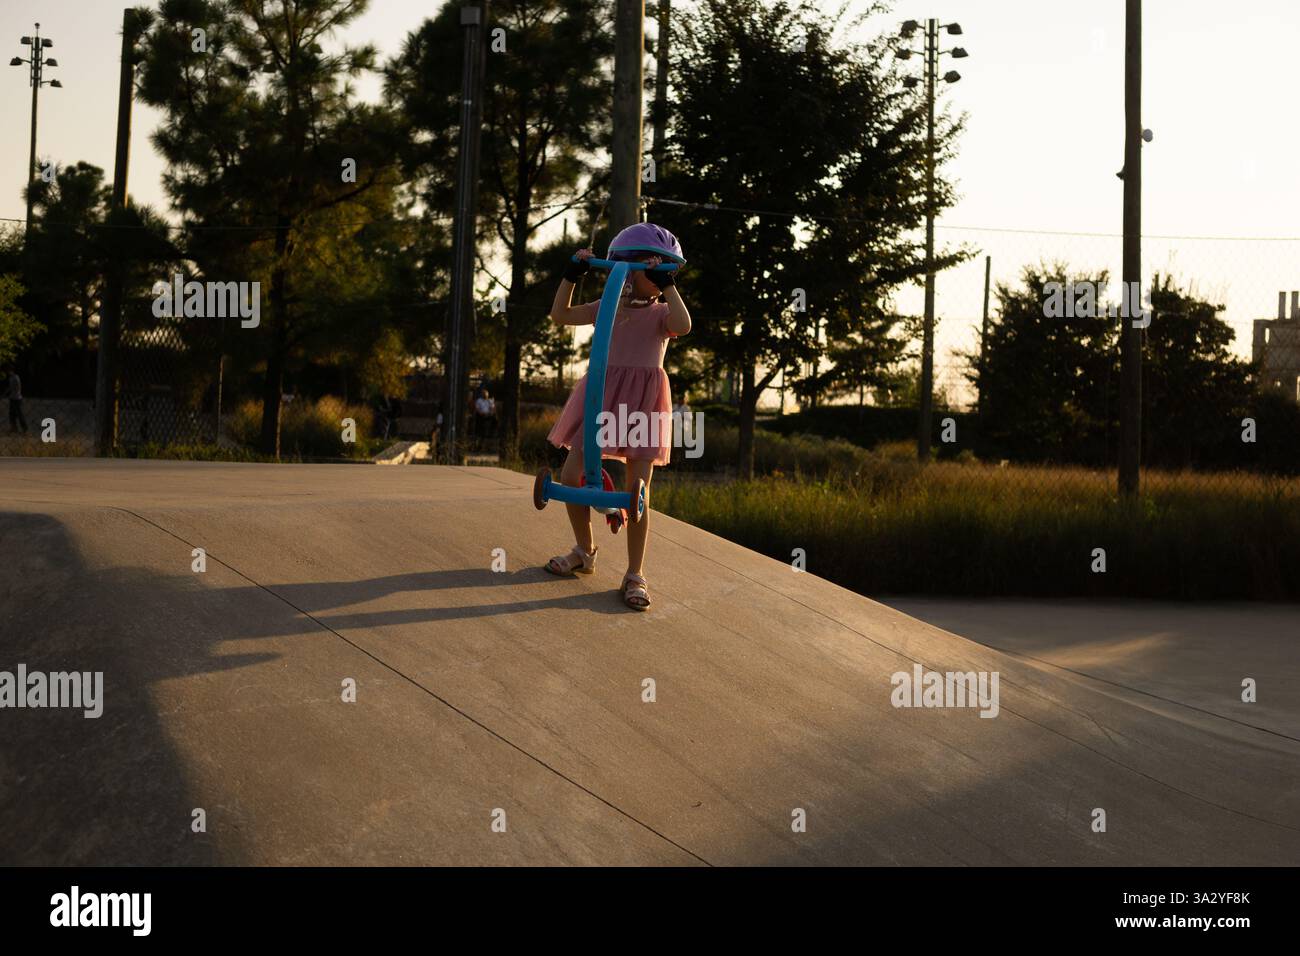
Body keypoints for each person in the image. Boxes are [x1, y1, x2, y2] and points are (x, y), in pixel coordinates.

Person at [542, 222, 692, 610]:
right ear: (625, 267)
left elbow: (684, 325)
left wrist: (669, 284)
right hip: (600, 398)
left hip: (643, 403)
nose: (658, 276)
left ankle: (635, 573)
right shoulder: (607, 306)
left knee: (638, 491)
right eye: (652, 268)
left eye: (667, 269)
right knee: (571, 475)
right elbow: (560, 314)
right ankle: (584, 551)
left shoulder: (661, 313)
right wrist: (571, 275)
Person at [2, 364, 27, 434]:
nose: (7, 372)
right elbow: (10, 388)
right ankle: (13, 428)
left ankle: (24, 428)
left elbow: (18, 387)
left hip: (17, 398)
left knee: (19, 413)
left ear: (11, 370)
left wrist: (15, 393)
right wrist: (5, 394)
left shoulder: (16, 377)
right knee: (11, 414)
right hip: (12, 398)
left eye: (8, 370)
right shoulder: (11, 378)